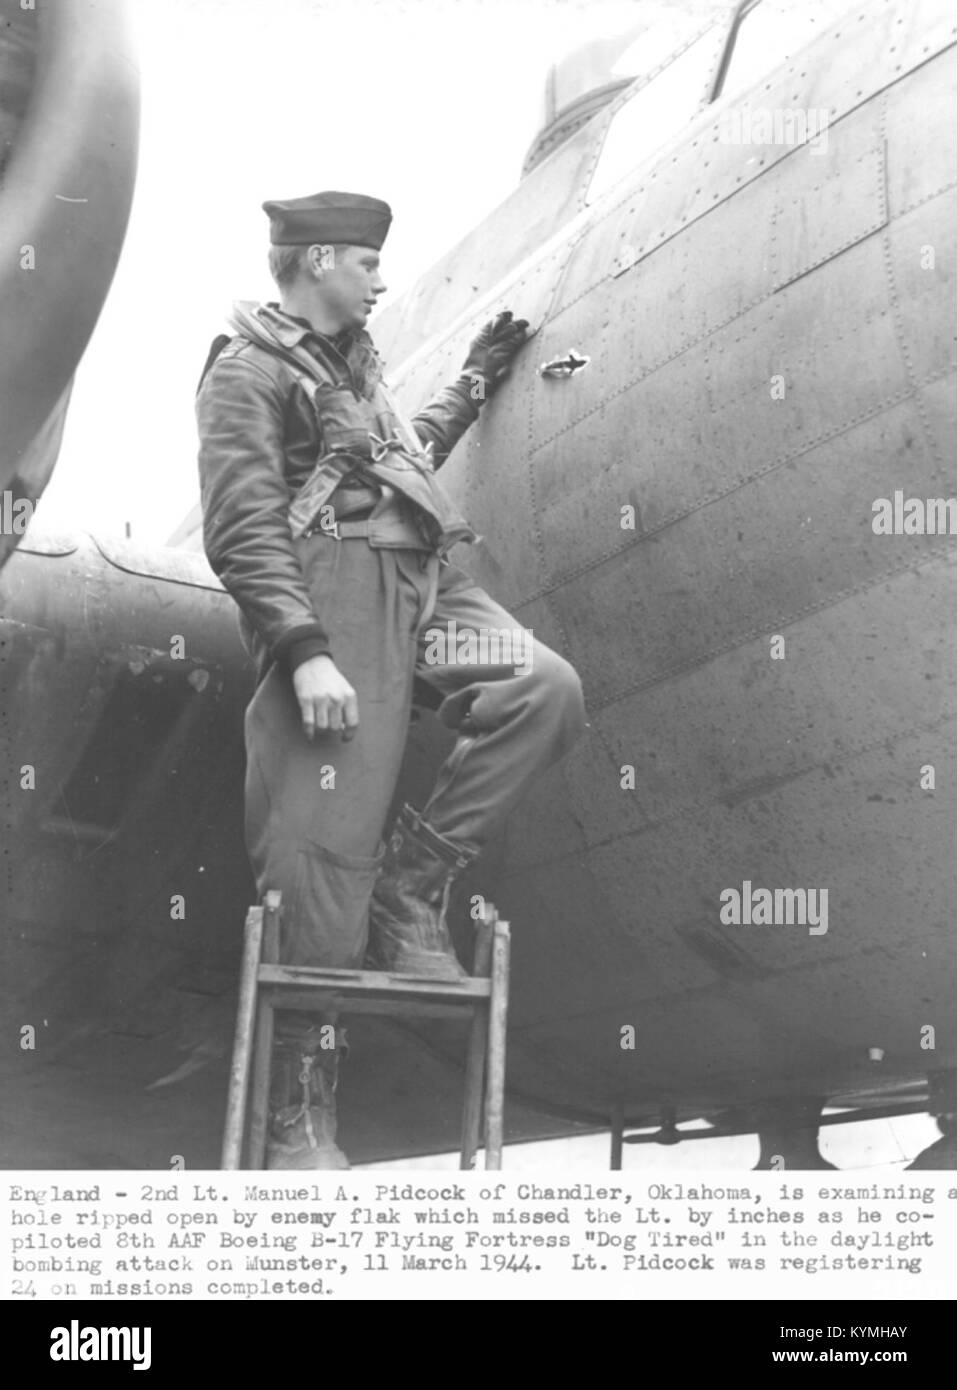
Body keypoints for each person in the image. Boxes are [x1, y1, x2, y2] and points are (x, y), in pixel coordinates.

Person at [196, 190, 586, 1169]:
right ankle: (299, 1119)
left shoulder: (354, 368)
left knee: (541, 690)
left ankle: (415, 888)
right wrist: (304, 649)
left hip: (421, 595)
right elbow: (242, 526)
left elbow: (402, 462)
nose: (381, 277)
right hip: (337, 604)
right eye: (366, 262)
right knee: (321, 866)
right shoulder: (245, 372)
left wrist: (471, 382)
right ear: (319, 260)